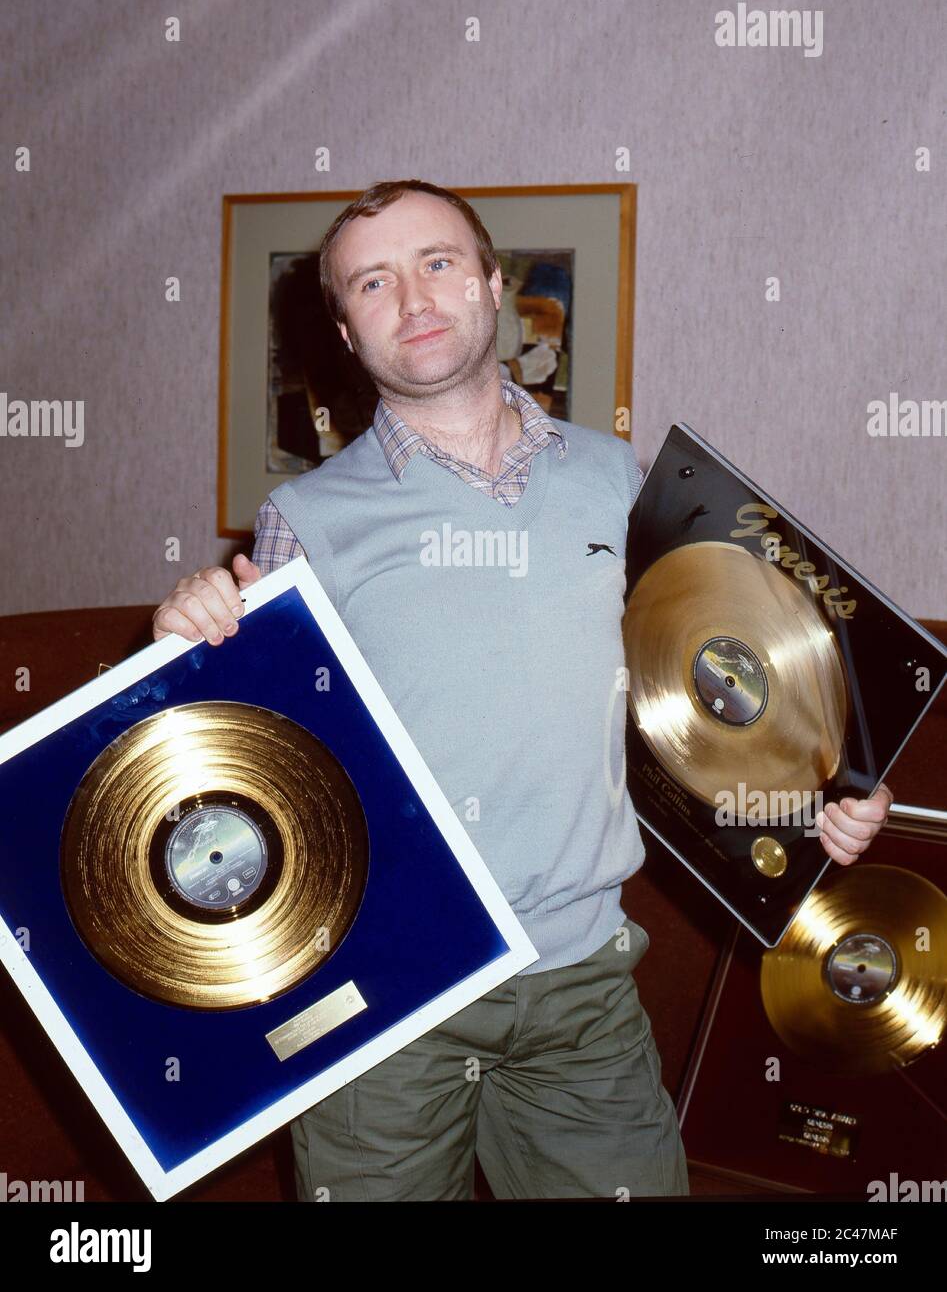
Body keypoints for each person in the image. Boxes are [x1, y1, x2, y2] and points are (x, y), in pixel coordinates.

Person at [153, 178, 892, 1201]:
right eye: (372, 281)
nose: (411, 296)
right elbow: (235, 758)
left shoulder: (618, 477)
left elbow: (710, 685)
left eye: (438, 262)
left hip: (582, 988)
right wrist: (186, 638)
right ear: (343, 327)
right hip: (381, 996)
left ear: (494, 286)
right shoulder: (301, 517)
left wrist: (820, 785)